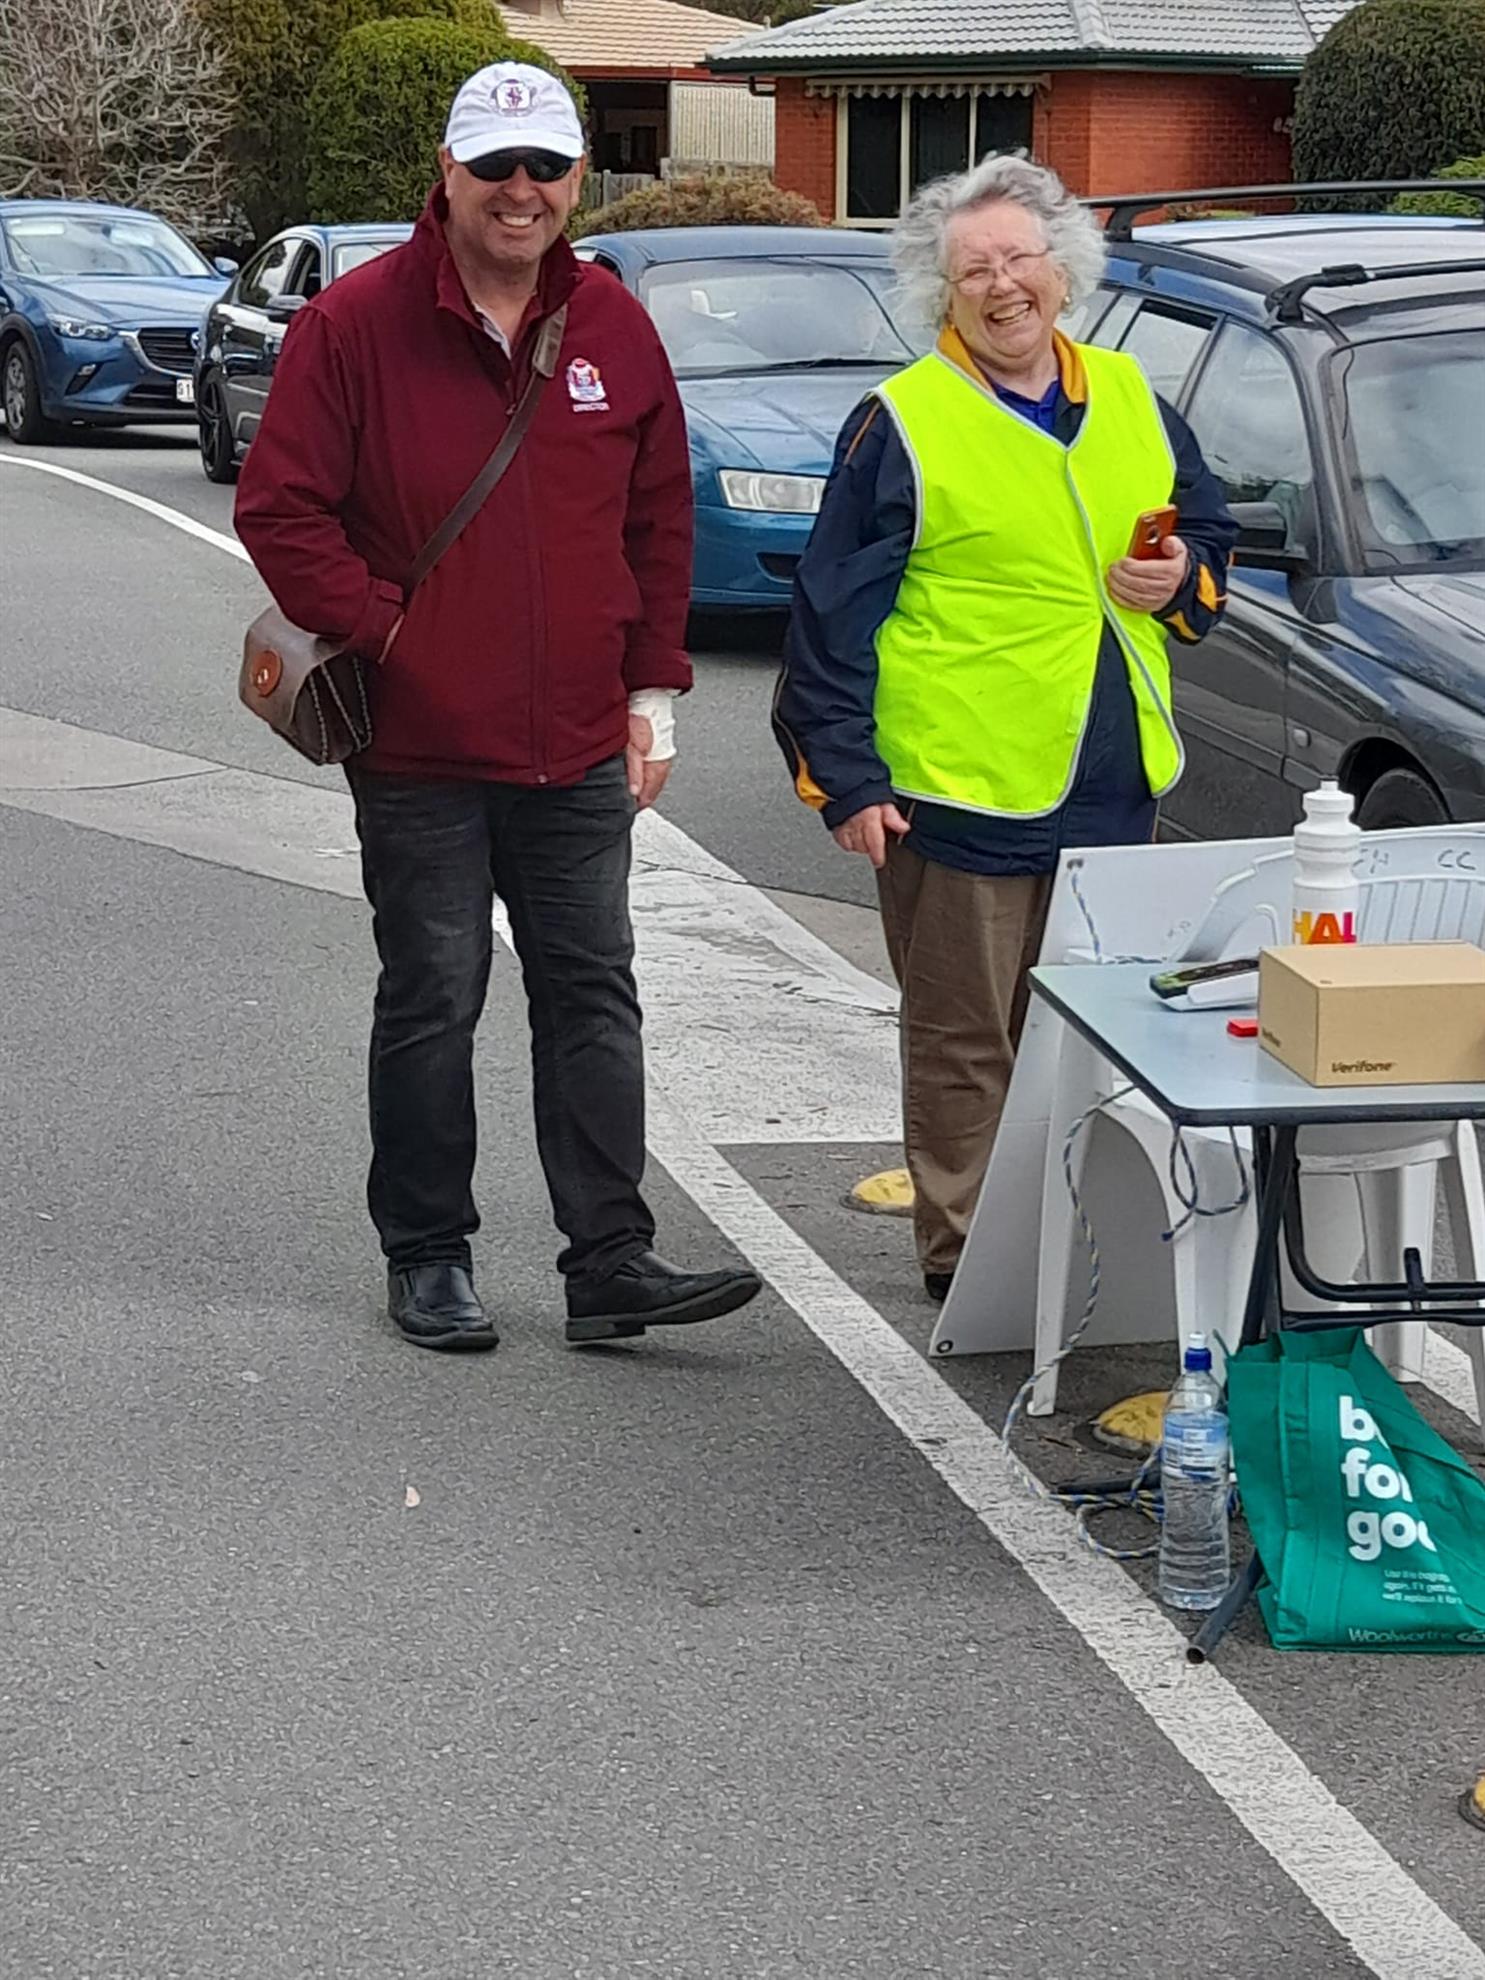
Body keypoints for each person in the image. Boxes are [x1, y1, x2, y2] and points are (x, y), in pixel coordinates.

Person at [235, 62, 760, 1352]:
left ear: (579, 179)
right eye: (495, 169)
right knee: (435, 993)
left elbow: (657, 522)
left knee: (594, 994)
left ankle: (611, 1261)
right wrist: (393, 631)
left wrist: (652, 692)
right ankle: (428, 1253)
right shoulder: (353, 326)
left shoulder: (617, 329)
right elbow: (280, 510)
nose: (520, 194)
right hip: (417, 749)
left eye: (545, 169)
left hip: (578, 742)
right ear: (450, 175)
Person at [773, 155, 1237, 1304]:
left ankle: (1093, 1255)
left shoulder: (1131, 394)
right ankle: (972, 1264)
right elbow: (832, 610)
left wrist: (1181, 574)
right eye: (973, 269)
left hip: (1113, 782)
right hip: (958, 788)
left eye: (1019, 259)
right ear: (945, 292)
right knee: (969, 1042)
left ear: (1063, 273)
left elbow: (1214, 533)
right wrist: (846, 777)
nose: (1002, 285)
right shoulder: (904, 424)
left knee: (1097, 1038)